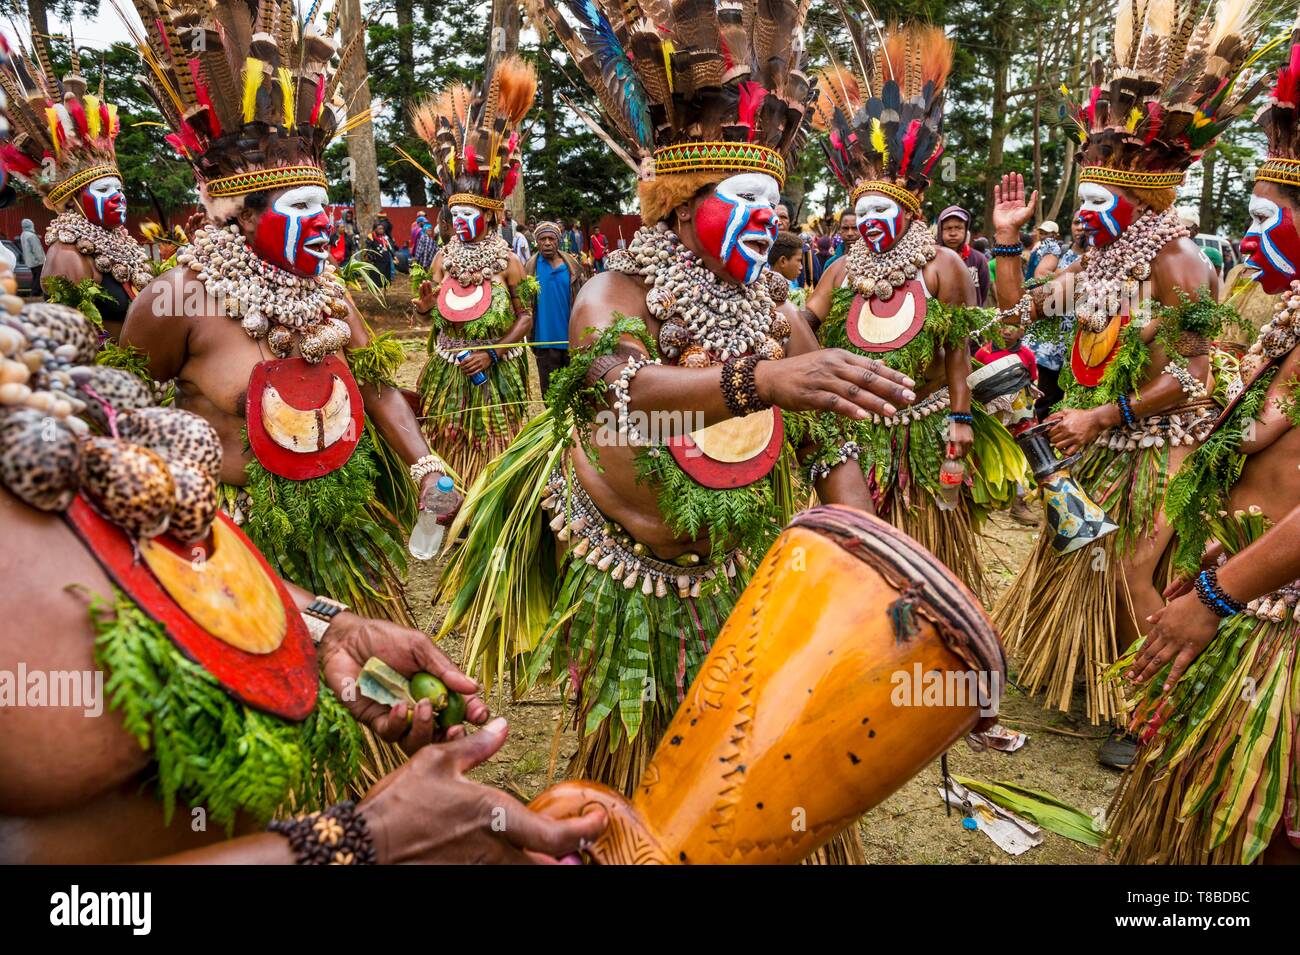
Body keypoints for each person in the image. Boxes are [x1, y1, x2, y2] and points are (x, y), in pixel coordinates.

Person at [439, 1, 914, 852]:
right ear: (680, 195)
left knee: (743, 774)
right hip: (635, 580)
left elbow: (830, 439)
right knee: (640, 786)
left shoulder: (777, 309)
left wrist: (867, 559)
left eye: (776, 199)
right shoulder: (611, 293)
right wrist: (762, 379)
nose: (769, 217)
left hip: (742, 580)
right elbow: (613, 388)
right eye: (746, 198)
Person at [0, 260, 607, 863]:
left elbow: (140, 536)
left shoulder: (48, 418)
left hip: (292, 552)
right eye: (299, 205)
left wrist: (327, 626)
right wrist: (357, 842)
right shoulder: (176, 300)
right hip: (249, 524)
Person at [120, 0, 456, 627]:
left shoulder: (327, 289)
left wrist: (425, 468)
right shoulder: (178, 299)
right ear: (244, 214)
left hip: (342, 528)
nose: (326, 225)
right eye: (303, 208)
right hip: (232, 545)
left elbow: (375, 384)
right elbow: (126, 411)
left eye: (324, 206)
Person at [990, 3, 1249, 765]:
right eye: (1085, 199)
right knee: (1076, 554)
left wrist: (1107, 413)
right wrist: (1008, 244)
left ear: (1141, 202)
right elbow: (1019, 314)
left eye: (1098, 202)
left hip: (1158, 447)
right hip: (1105, 435)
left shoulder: (1177, 264)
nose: (1082, 214)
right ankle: (1072, 670)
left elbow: (1195, 375)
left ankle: (1151, 713)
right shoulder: (1101, 261)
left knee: (1139, 570)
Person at [1106, 37, 1300, 862]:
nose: (1246, 246)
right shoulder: (1286, 318)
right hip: (1239, 599)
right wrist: (1161, 558)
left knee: (1265, 833)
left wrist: (1215, 595)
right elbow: (1236, 445)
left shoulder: (1185, 268)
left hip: (1272, 623)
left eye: (1264, 222)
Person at [799, 21, 1026, 600]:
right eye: (862, 210)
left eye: (881, 210)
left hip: (923, 431)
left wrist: (960, 419)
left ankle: (932, 629)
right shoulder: (841, 269)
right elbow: (805, 326)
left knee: (925, 552)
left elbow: (956, 351)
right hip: (857, 437)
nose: (869, 222)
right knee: (861, 557)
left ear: (906, 213)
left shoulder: (941, 267)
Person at [409, 57, 538, 483]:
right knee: (448, 435)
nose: (461, 222)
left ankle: (488, 497)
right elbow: (427, 310)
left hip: (496, 372)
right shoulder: (443, 258)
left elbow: (525, 317)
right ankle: (447, 495)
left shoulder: (509, 261)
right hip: (448, 369)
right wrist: (425, 307)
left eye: (470, 213)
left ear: (491, 215)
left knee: (493, 442)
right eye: (455, 213)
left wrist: (494, 352)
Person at [0, 36, 150, 339]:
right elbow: (68, 339)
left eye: (118, 189)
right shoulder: (68, 255)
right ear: (74, 200)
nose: (118, 197)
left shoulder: (121, 242)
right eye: (104, 191)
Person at [1024, 215, 1087, 419]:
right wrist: (1071, 275)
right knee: (1045, 402)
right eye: (1076, 222)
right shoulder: (1059, 252)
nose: (1081, 227)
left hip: (1085, 347)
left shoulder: (1108, 259)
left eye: (1085, 223)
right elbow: (1041, 276)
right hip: (1051, 346)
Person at [523, 221, 584, 396]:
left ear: (558, 241)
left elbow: (583, 299)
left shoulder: (572, 267)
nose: (547, 242)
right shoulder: (531, 268)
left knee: (575, 394)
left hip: (571, 341)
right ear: (537, 242)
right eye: (543, 239)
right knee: (550, 395)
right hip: (544, 342)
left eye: (551, 238)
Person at [938, 205, 991, 305]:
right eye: (948, 228)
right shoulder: (933, 258)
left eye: (958, 228)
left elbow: (983, 291)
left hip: (972, 317)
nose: (953, 233)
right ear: (940, 231)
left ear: (966, 230)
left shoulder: (978, 259)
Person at [17, 218, 44, 295]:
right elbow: (37, 250)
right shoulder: (31, 236)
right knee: (38, 277)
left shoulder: (23, 234)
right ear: (31, 225)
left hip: (30, 261)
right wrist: (42, 260)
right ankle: (35, 293)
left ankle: (35, 292)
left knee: (35, 277)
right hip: (37, 261)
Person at [365, 222, 395, 287]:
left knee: (385, 277)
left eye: (382, 229)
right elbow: (368, 248)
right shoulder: (371, 237)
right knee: (376, 278)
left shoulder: (385, 237)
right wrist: (369, 256)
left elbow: (390, 247)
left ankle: (384, 291)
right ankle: (376, 292)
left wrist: (394, 256)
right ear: (375, 229)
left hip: (386, 260)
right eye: (379, 229)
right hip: (376, 261)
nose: (381, 230)